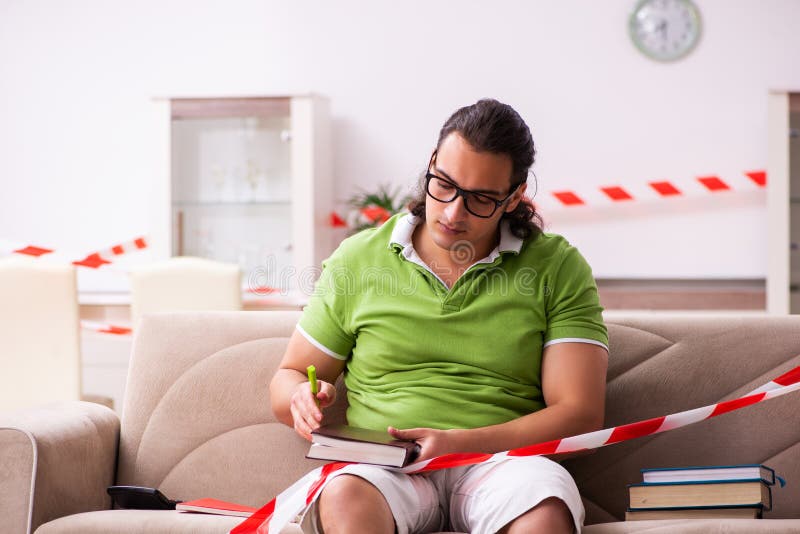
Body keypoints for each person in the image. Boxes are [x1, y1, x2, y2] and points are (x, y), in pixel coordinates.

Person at [270, 98, 608, 534]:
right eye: (443, 184)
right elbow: (290, 375)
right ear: (431, 163)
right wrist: (299, 396)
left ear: (515, 196)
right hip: (386, 469)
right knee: (345, 496)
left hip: (505, 465)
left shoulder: (557, 268)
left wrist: (459, 443)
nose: (452, 213)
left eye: (481, 199)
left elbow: (579, 415)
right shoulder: (359, 259)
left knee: (543, 512)